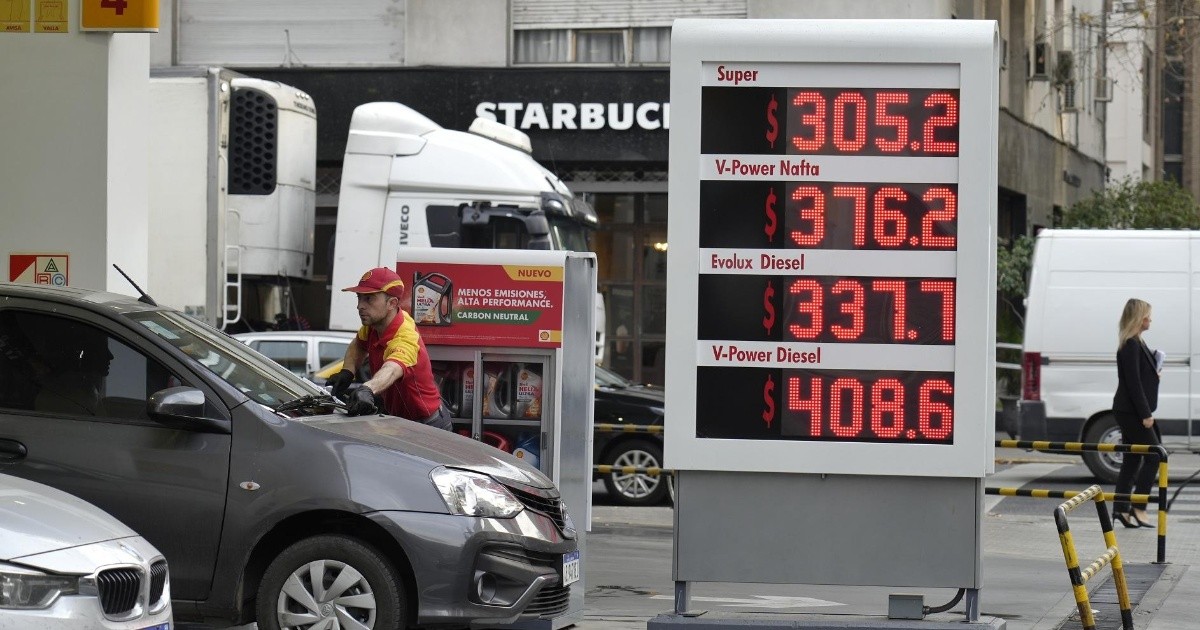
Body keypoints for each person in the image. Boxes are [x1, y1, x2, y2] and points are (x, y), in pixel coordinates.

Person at [327, 267, 452, 430]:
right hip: (400, 422)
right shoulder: (373, 326)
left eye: (369, 299)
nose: (360, 306)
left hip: (428, 425)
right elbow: (358, 345)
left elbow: (393, 369)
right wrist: (347, 371)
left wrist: (368, 389)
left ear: (392, 303)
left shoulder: (405, 334)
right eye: (359, 298)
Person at [1111, 298, 1162, 529]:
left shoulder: (1136, 342)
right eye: (1147, 316)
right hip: (1131, 411)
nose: (1150, 319)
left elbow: (1140, 376)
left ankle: (1121, 509)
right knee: (1155, 455)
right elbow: (1133, 383)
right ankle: (1138, 506)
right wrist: (1145, 414)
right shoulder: (1131, 344)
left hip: (1129, 409)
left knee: (1131, 460)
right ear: (1139, 318)